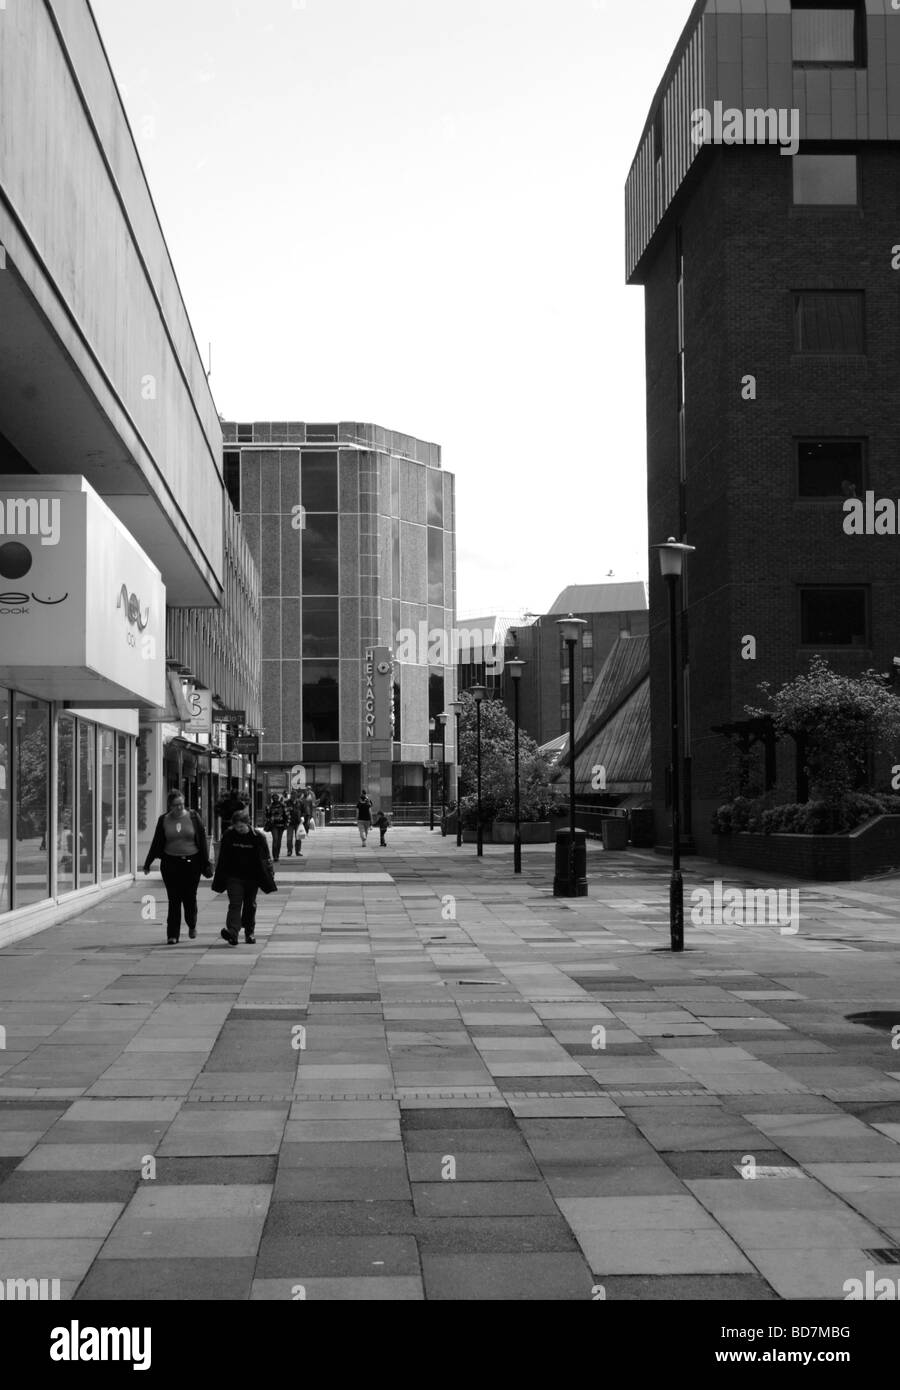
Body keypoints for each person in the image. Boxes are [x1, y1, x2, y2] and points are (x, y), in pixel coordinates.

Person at [144, 790, 213, 944]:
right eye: (176, 805)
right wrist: (148, 863)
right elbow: (157, 842)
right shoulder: (164, 820)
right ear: (170, 806)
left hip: (191, 863)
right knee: (173, 899)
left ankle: (192, 924)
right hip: (170, 863)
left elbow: (202, 840)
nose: (180, 807)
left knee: (189, 898)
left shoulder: (194, 817)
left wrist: (205, 862)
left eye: (182, 803)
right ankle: (172, 934)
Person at [212, 807, 277, 946]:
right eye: (236, 827)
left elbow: (266, 857)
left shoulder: (258, 837)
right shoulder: (229, 835)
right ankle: (233, 933)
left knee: (250, 905)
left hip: (252, 877)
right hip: (233, 876)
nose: (239, 830)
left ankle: (249, 932)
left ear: (247, 824)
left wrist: (270, 871)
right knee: (235, 904)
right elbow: (222, 856)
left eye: (241, 827)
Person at [265, 793, 288, 861]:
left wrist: (286, 823)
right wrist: (269, 818)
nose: (275, 799)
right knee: (275, 839)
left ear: (278, 798)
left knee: (279, 841)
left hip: (281, 825)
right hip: (273, 825)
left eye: (276, 798)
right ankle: (274, 855)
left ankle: (277, 855)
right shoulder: (270, 806)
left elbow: (286, 815)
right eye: (273, 798)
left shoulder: (283, 805)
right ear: (272, 799)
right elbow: (267, 816)